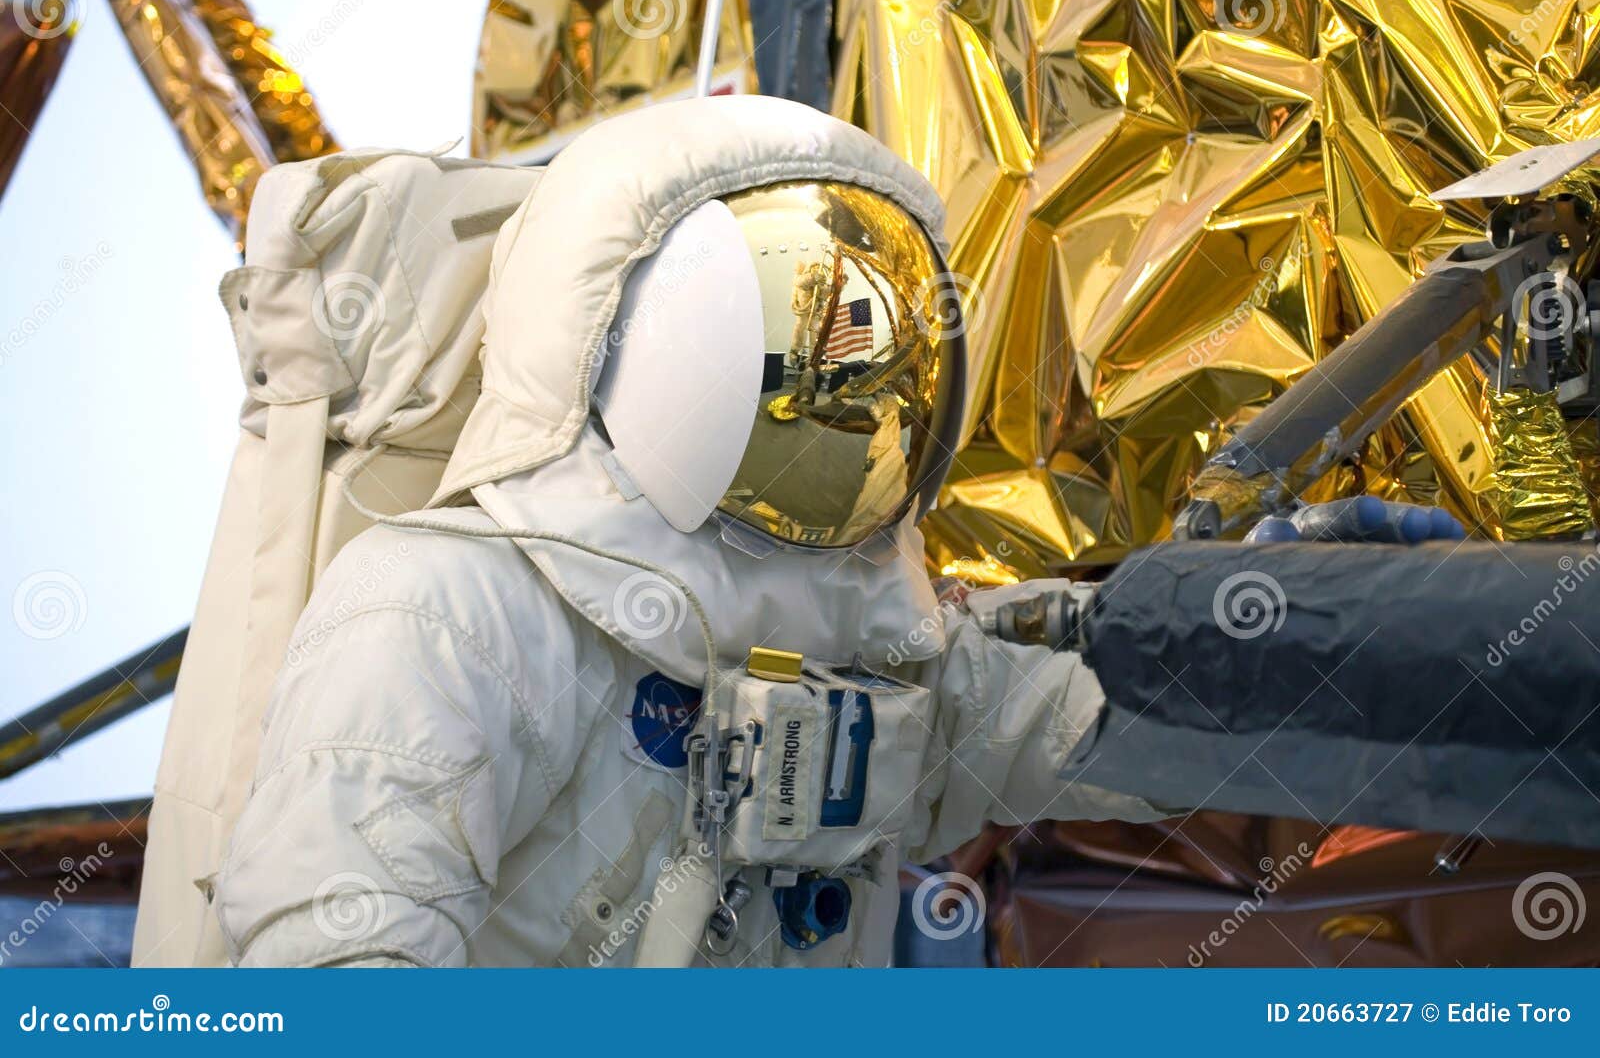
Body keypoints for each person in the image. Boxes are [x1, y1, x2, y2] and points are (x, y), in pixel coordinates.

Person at [210, 95, 1457, 967]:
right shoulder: (444, 612)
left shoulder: (874, 655)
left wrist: (1300, 620)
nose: (857, 379)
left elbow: (1109, 725)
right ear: (629, 316)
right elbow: (337, 955)